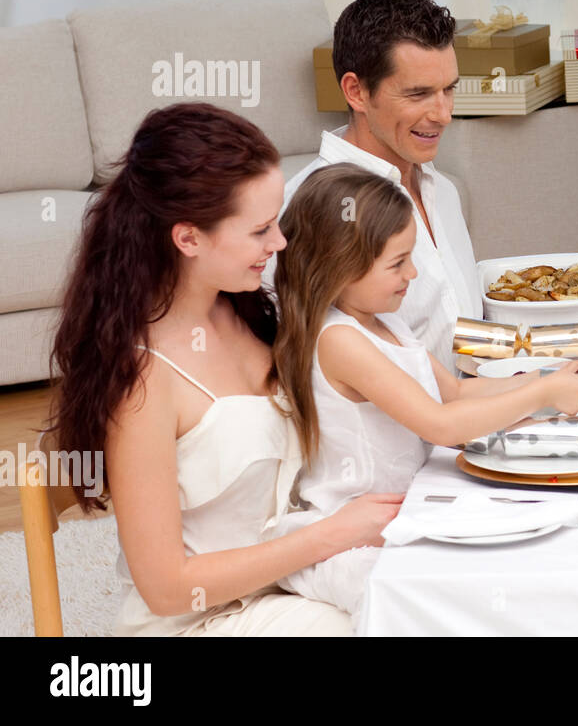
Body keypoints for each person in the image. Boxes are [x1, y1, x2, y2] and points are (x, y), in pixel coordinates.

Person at [48, 104, 398, 636]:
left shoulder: (247, 309)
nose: (279, 243)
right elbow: (166, 587)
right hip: (199, 622)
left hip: (293, 584)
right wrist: (332, 534)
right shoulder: (142, 381)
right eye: (260, 230)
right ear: (188, 239)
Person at [270, 164, 578, 618]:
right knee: (458, 597)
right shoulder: (339, 340)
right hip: (353, 538)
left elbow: (451, 392)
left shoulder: (382, 320)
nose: (412, 273)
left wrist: (549, 375)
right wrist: (543, 394)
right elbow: (439, 424)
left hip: (408, 507)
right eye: (397, 263)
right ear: (339, 267)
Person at [270, 0, 477, 370]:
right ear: (356, 92)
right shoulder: (310, 207)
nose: (444, 114)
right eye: (418, 94)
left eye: (449, 89)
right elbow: (288, 368)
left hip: (482, 411)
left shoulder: (444, 191)